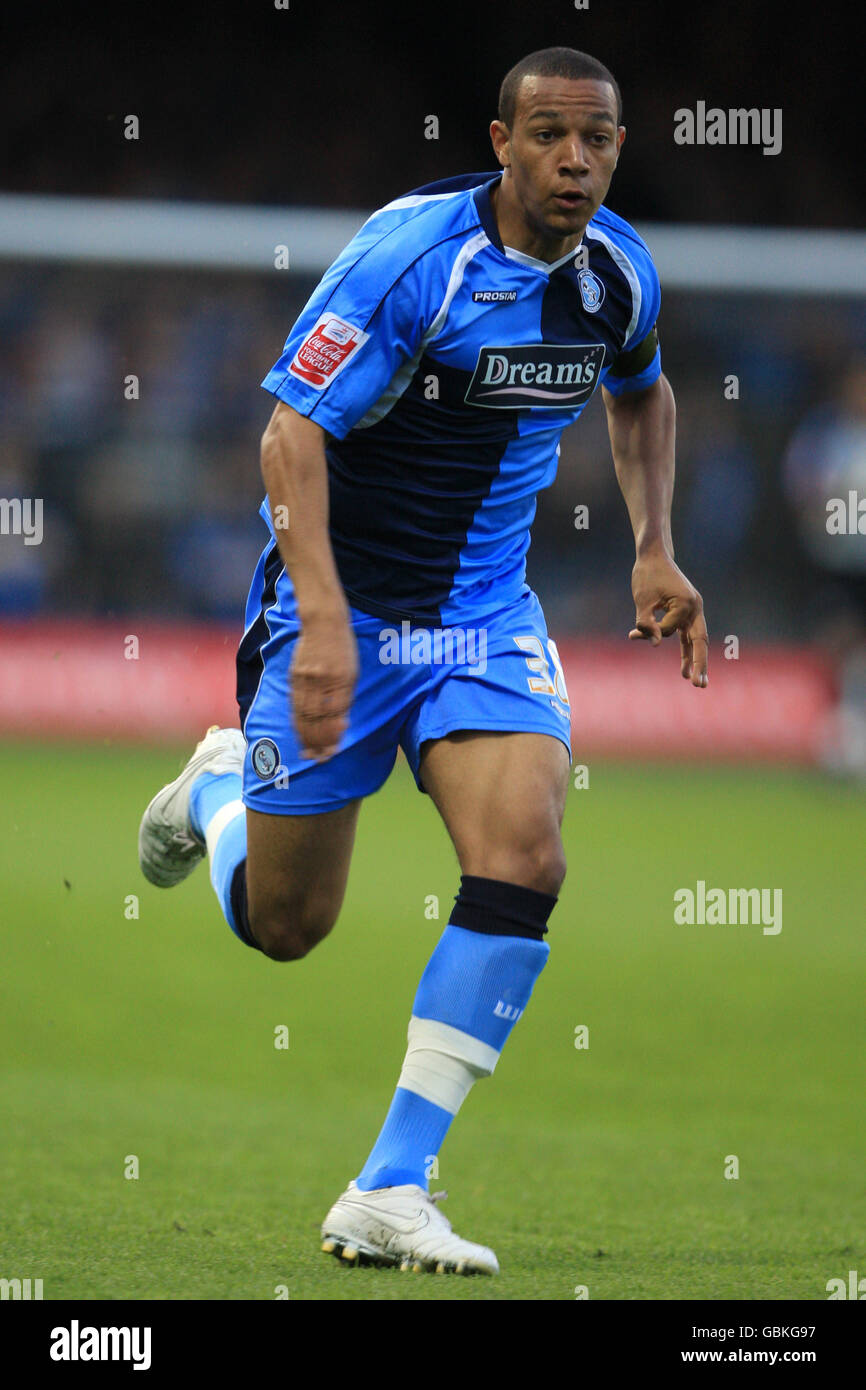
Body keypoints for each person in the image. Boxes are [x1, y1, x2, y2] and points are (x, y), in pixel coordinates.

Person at [138, 45, 708, 1276]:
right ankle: (221, 789)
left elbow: (642, 395)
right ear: (499, 142)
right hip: (337, 605)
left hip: (484, 619)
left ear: (617, 148)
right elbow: (289, 437)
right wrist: (332, 620)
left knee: (526, 855)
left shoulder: (618, 276)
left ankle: (391, 1185)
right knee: (286, 926)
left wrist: (653, 548)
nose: (574, 158)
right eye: (548, 134)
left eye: (596, 138)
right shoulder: (412, 259)